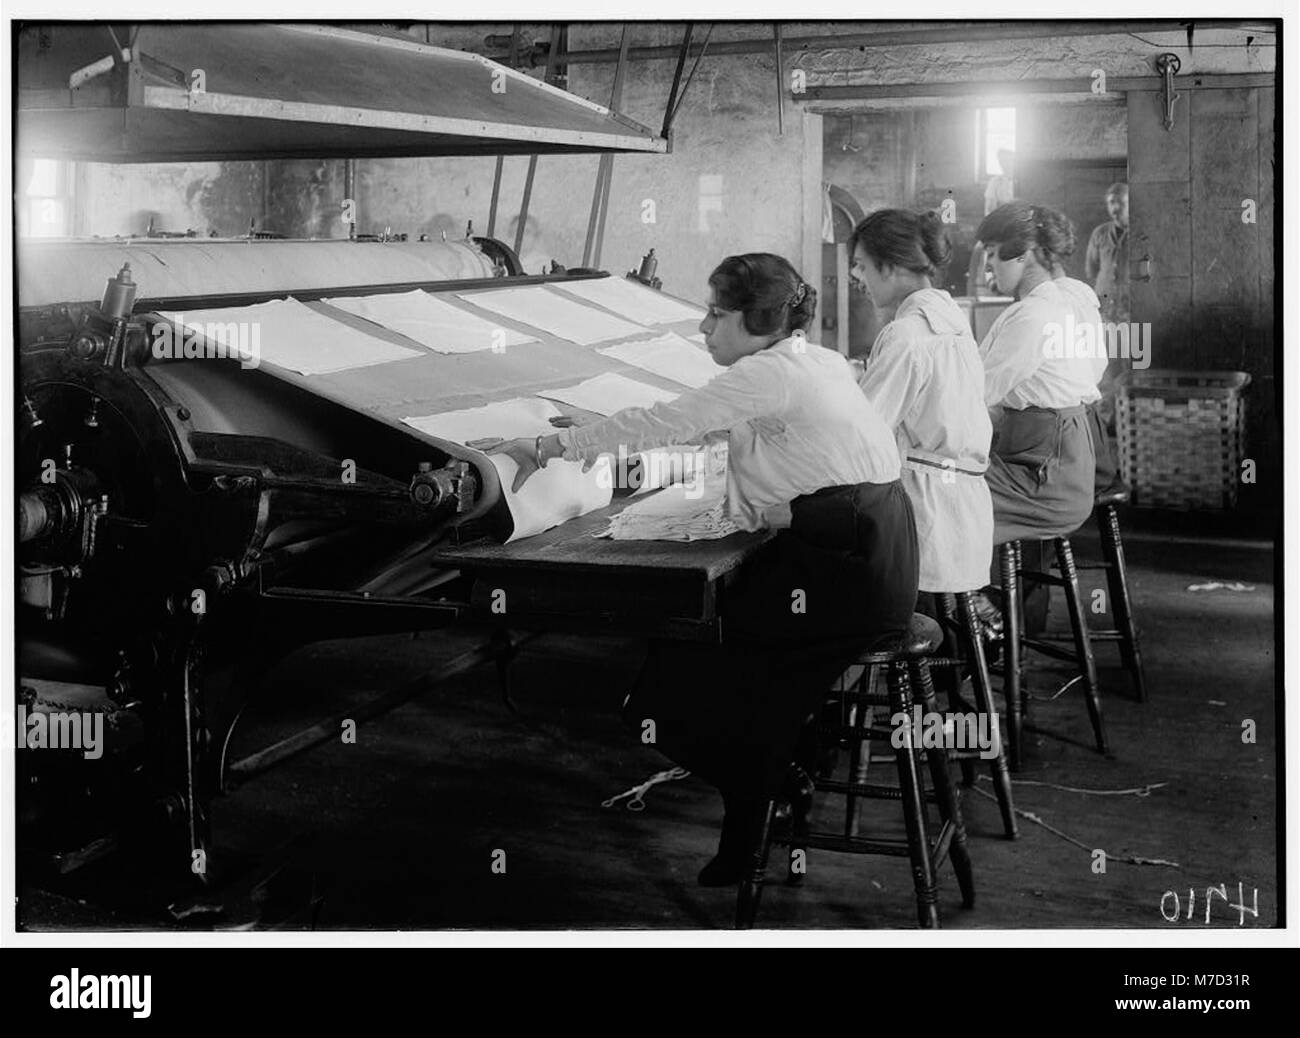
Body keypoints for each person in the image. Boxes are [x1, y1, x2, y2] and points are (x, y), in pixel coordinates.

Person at [474, 253, 919, 886]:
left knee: (689, 658)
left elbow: (671, 423)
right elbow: (713, 430)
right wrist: (599, 428)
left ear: (756, 319)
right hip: (871, 551)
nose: (702, 328)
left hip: (844, 570)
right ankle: (768, 789)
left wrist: (544, 447)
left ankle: (770, 784)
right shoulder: (808, 359)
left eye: (715, 313)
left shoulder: (768, 375)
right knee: (716, 652)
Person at [850, 209, 993, 606]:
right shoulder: (952, 321)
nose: (856, 279)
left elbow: (862, 436)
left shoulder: (907, 334)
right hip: (961, 511)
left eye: (861, 267)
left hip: (925, 518)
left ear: (891, 266)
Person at [977, 201, 1102, 631]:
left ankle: (975, 620)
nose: (989, 264)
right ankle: (1001, 614)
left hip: (1045, 471)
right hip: (1072, 458)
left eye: (994, 252)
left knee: (934, 495)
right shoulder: (1075, 297)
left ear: (1024, 251)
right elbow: (1093, 372)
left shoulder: (1032, 315)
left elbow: (977, 392)